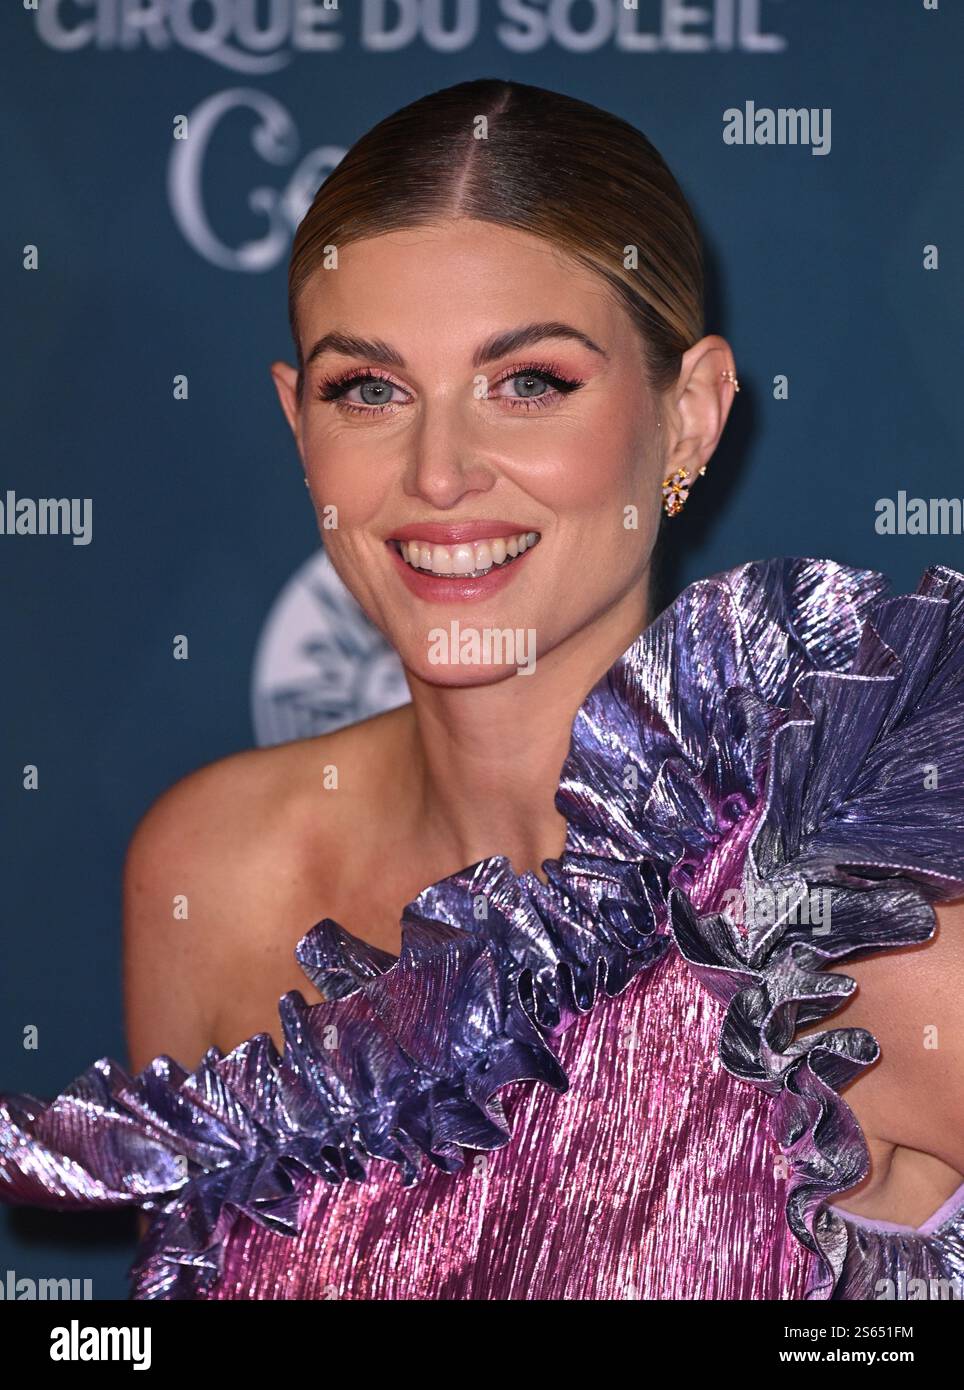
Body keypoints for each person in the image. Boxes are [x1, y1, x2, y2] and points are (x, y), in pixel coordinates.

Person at [2, 78, 962, 1302]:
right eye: (370, 390)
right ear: (300, 425)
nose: (439, 471)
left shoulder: (865, 930)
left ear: (690, 416)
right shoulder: (216, 870)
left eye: (530, 382)